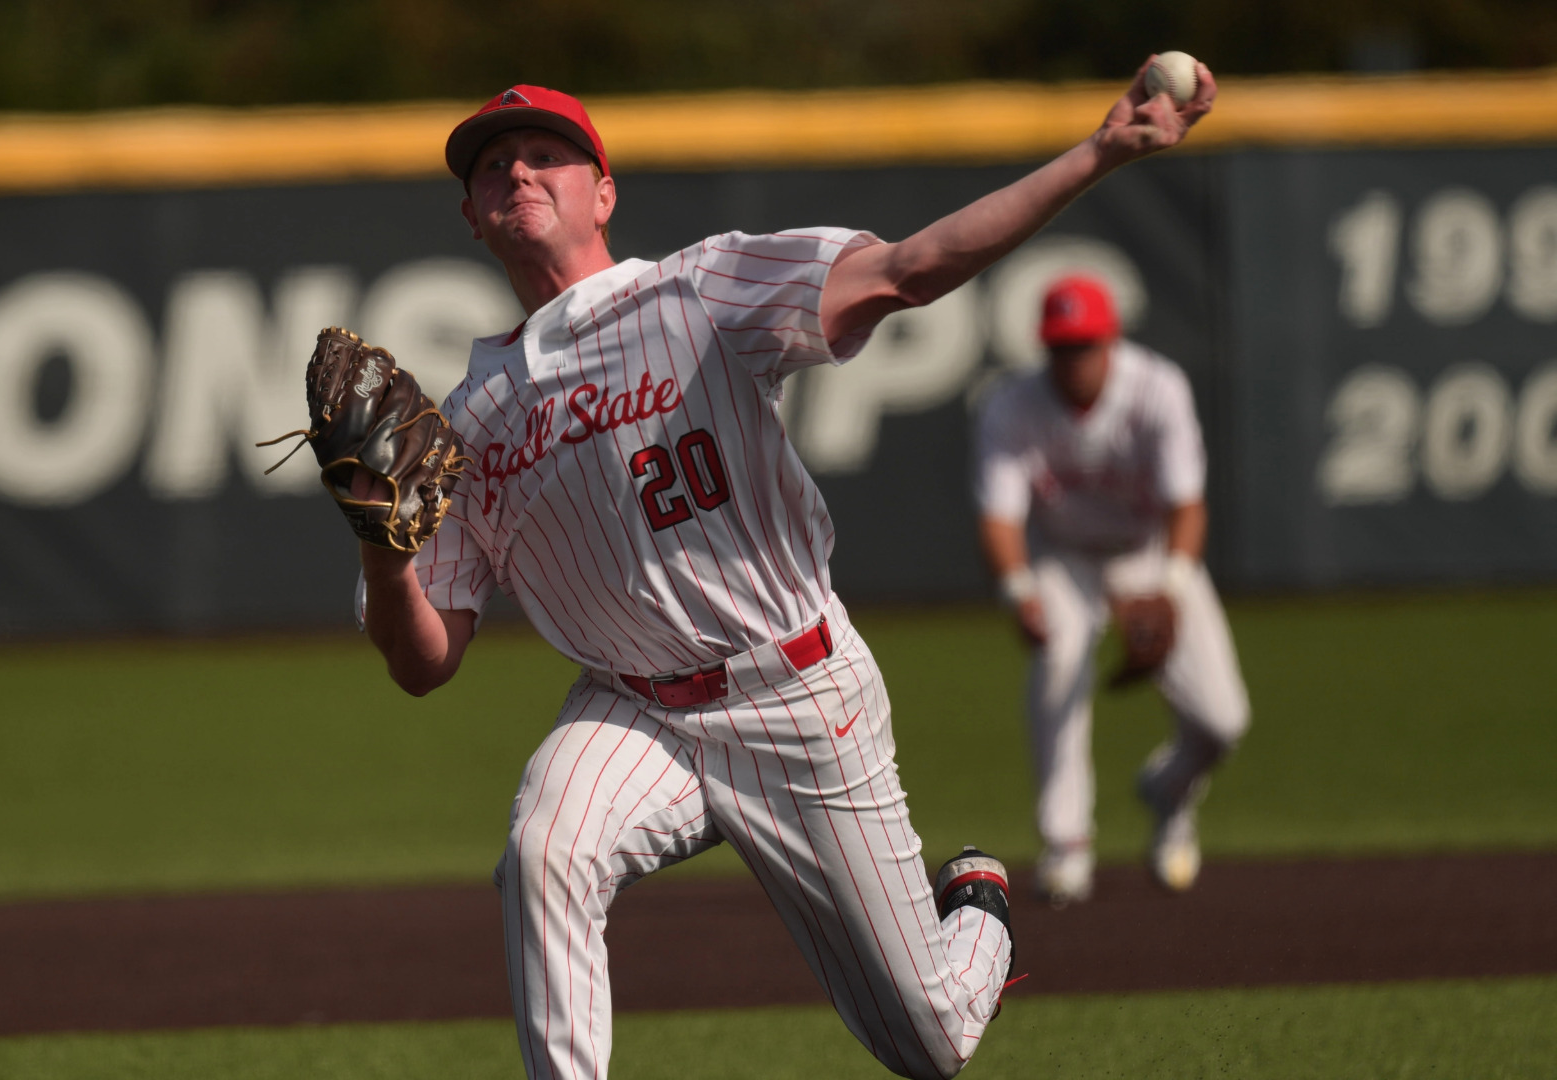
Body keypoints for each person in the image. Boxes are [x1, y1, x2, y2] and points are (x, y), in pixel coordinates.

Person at [350, 69, 1213, 1080]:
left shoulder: (697, 292)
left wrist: (1098, 153)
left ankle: (977, 905)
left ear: (604, 191)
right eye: (494, 165)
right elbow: (424, 662)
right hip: (633, 712)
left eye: (546, 153)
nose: (518, 170)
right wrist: (379, 542)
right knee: (547, 849)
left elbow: (912, 270)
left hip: (797, 691)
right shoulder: (466, 422)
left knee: (931, 1045)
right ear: (470, 213)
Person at [974, 276, 1251, 906]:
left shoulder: (1157, 388)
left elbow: (1187, 505)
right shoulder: (1012, 405)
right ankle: (1065, 843)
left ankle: (1171, 790)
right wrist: (1019, 591)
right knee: (1059, 658)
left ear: (1111, 342)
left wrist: (1171, 589)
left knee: (1223, 721)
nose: (1072, 360)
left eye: (1084, 345)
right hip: (1064, 558)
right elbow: (999, 518)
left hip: (1150, 553)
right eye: (1061, 347)